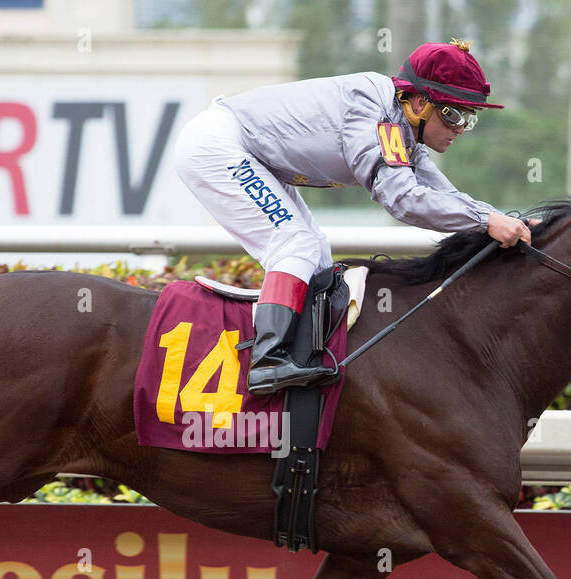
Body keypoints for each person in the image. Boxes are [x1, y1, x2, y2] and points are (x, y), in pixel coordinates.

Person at [173, 38, 535, 395]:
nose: (459, 127)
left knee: (315, 253)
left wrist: (502, 219)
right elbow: (403, 199)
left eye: (469, 119)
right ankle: (268, 360)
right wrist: (487, 222)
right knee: (294, 244)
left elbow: (444, 195)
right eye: (453, 114)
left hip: (244, 150)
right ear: (420, 102)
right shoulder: (377, 117)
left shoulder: (400, 125)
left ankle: (303, 356)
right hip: (218, 146)